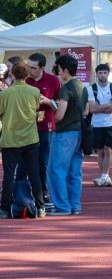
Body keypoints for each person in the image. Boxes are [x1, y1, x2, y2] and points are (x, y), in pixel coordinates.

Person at [0, 61, 45, 217]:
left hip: (10, 138)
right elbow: (36, 110)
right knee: (34, 173)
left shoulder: (4, 93)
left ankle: (4, 208)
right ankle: (40, 207)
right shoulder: (34, 91)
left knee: (8, 175)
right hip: (30, 138)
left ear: (13, 74)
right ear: (27, 75)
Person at [46, 54, 89, 216]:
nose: (58, 74)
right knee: (74, 171)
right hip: (79, 132)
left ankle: (62, 206)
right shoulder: (83, 86)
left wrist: (51, 106)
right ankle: (75, 205)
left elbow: (59, 116)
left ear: (65, 70)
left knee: (55, 170)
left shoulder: (66, 89)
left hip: (64, 133)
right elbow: (86, 110)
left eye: (59, 70)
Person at [26, 53, 60, 207]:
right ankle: (28, 192)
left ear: (42, 68)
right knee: (26, 161)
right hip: (28, 126)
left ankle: (44, 192)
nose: (30, 70)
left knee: (43, 161)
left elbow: (60, 105)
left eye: (33, 67)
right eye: (28, 66)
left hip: (46, 126)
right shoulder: (26, 80)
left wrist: (48, 101)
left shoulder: (53, 80)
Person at [88, 63, 112, 188]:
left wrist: (101, 108)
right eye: (100, 73)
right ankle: (104, 176)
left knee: (108, 150)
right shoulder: (91, 88)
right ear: (96, 74)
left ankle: (104, 176)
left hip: (111, 124)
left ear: (108, 74)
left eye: (105, 72)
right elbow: (92, 109)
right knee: (100, 151)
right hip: (97, 124)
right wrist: (108, 105)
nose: (102, 75)